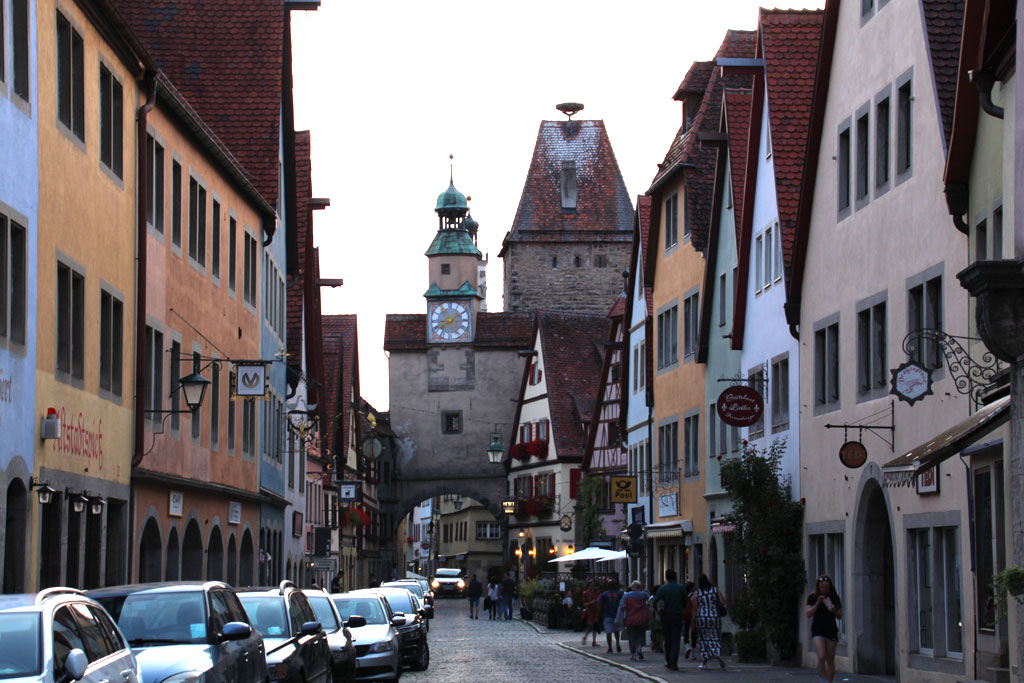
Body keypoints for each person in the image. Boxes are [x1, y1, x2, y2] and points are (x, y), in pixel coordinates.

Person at [806, 574, 842, 683]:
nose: (824, 590)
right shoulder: (812, 597)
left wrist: (834, 610)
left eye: (826, 587)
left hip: (831, 630)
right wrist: (817, 603)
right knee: (821, 656)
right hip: (818, 630)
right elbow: (808, 614)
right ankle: (822, 680)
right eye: (822, 587)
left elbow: (840, 616)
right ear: (818, 587)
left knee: (830, 660)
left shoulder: (834, 597)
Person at [651, 569, 687, 670]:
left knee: (668, 639)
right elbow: (685, 602)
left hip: (666, 615)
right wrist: (681, 608)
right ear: (675, 576)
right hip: (677, 615)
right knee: (676, 639)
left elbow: (655, 601)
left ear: (666, 577)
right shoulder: (680, 588)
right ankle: (674, 661)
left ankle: (668, 660)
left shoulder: (663, 588)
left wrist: (658, 611)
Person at [690, 574, 726, 669]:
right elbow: (722, 601)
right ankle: (716, 652)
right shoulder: (715, 590)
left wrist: (693, 621)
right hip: (714, 616)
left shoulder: (697, 593)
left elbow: (694, 607)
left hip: (702, 617)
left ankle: (704, 662)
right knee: (715, 636)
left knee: (703, 639)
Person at [616, 580, 651, 662]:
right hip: (641, 618)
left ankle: (633, 654)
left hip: (630, 618)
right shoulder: (643, 595)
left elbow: (622, 606)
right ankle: (639, 647)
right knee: (640, 635)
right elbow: (648, 596)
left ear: (633, 587)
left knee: (631, 637)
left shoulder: (627, 596)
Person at [599, 580, 624, 653]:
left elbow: (601, 605)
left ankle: (610, 647)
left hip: (607, 615)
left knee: (608, 632)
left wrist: (599, 615)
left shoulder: (604, 594)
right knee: (616, 631)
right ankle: (617, 643)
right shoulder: (618, 594)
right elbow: (622, 604)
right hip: (616, 614)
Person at [580, 582, 602, 646]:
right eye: (591, 586)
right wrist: (591, 602)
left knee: (594, 626)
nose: (592, 587)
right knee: (590, 625)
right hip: (589, 612)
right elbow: (584, 604)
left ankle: (594, 641)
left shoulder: (594, 593)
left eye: (593, 585)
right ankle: (585, 636)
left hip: (595, 611)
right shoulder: (585, 593)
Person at [681, 580, 696, 660]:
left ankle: (687, 646)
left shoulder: (684, 596)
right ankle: (693, 654)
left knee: (685, 632)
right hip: (693, 615)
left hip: (685, 615)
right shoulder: (695, 595)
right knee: (694, 634)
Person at [647, 584, 663, 653]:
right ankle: (661, 645)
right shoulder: (662, 598)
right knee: (661, 632)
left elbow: (648, 608)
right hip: (660, 617)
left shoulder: (651, 599)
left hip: (652, 618)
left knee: (654, 632)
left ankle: (655, 644)